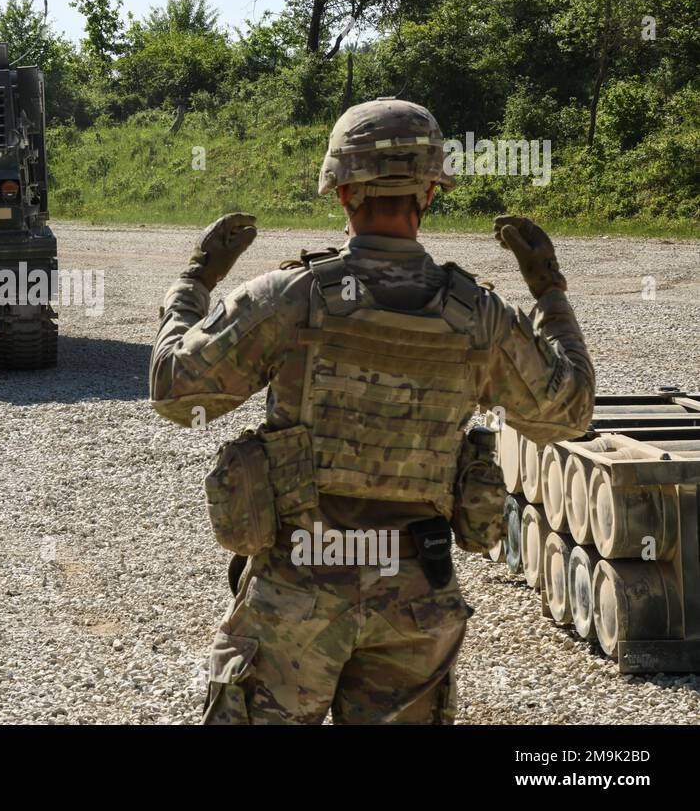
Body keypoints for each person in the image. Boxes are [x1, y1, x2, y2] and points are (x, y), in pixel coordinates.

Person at [149, 97, 596, 724]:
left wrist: (194, 283)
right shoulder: (478, 316)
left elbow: (176, 391)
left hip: (297, 591)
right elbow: (568, 413)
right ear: (431, 193)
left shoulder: (291, 298)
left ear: (341, 191)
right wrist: (550, 294)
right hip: (415, 595)